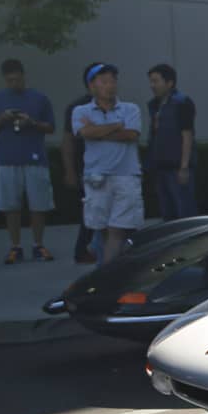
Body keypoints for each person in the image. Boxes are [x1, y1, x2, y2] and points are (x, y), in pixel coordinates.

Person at [71, 62, 143, 264]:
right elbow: (85, 133)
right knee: (100, 227)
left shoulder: (130, 109)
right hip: (96, 176)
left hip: (126, 175)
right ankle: (106, 267)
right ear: (92, 86)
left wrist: (98, 131)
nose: (110, 85)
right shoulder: (80, 111)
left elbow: (131, 135)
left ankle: (108, 270)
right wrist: (116, 126)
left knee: (118, 228)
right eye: (104, 81)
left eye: (113, 80)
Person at [0, 58, 57, 263]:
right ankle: (15, 247)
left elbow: (51, 127)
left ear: (23, 76)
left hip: (35, 159)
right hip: (7, 159)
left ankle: (38, 245)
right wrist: (2, 119)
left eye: (17, 80)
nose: (13, 84)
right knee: (11, 206)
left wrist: (32, 122)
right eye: (9, 81)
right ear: (4, 79)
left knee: (38, 205)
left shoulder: (39, 98)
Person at [146, 62, 197, 219]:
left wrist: (184, 167)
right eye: (151, 81)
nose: (152, 85)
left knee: (184, 211)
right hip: (160, 166)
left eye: (156, 81)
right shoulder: (154, 105)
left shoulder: (182, 102)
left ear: (169, 83)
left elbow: (187, 135)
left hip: (177, 167)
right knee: (167, 213)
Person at [60, 69, 98, 263]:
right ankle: (82, 249)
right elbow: (68, 141)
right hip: (85, 167)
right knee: (90, 212)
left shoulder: (116, 105)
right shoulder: (77, 108)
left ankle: (98, 249)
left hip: (108, 167)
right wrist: (70, 171)